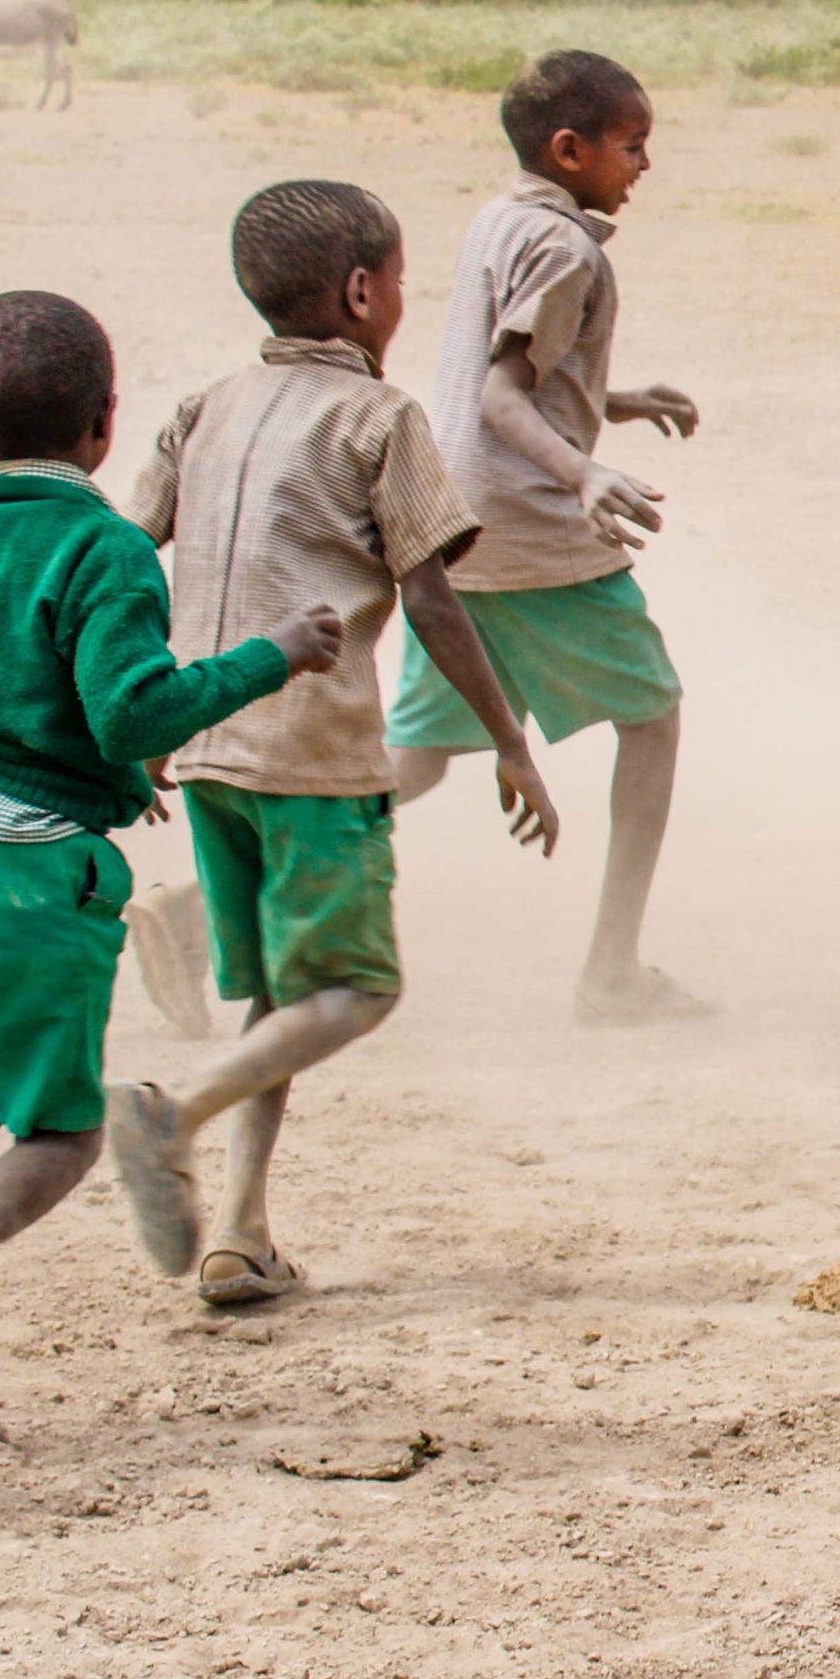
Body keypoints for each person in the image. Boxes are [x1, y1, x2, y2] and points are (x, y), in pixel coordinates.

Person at [0, 292, 336, 1449]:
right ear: (106, 424)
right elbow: (130, 715)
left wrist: (82, 765)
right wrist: (276, 654)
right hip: (21, 876)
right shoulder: (106, 547)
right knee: (62, 1135)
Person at [102, 184, 563, 1309]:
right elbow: (434, 598)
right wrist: (509, 738)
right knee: (355, 987)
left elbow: (120, 557)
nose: (402, 300)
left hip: (207, 741)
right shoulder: (381, 420)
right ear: (362, 293)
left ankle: (243, 1233)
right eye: (400, 280)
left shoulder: (202, 406)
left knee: (280, 1002)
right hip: (313, 751)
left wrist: (138, 721)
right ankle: (177, 1112)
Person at [386, 49, 706, 1023]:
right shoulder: (572, 251)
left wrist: (609, 398)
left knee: (419, 756)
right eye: (632, 145)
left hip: (451, 528)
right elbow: (501, 392)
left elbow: (515, 370)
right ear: (570, 150)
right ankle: (612, 969)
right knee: (651, 717)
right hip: (533, 530)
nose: (644, 164)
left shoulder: (501, 218)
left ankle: (193, 910)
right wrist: (586, 468)